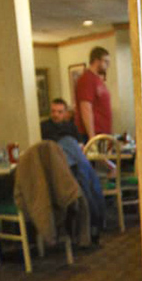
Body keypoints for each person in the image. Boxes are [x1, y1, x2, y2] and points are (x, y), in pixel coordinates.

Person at [41, 97, 106, 240]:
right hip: (59, 166)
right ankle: (96, 222)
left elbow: (81, 147)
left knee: (84, 175)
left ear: (65, 113)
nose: (56, 115)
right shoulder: (44, 127)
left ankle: (93, 223)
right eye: (53, 111)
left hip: (74, 163)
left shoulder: (71, 127)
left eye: (59, 112)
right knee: (86, 175)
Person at [75, 47, 112, 142]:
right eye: (106, 62)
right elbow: (86, 108)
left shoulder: (97, 80)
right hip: (93, 134)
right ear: (97, 61)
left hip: (103, 133)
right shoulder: (87, 79)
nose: (108, 66)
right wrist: (92, 137)